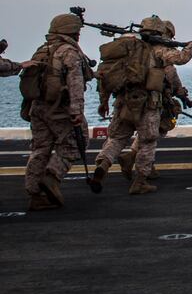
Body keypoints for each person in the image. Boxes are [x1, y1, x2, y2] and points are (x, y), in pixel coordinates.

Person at [20, 13, 91, 210]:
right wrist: (76, 111)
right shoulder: (68, 52)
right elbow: (75, 83)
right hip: (60, 108)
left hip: (38, 108)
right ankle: (52, 176)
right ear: (72, 31)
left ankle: (34, 193)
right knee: (76, 144)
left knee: (40, 149)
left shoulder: (42, 50)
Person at [92, 16, 168, 195]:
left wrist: (104, 102)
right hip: (148, 104)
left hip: (123, 103)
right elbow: (180, 59)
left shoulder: (125, 50)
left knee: (117, 139)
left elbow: (106, 76)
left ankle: (103, 163)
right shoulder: (156, 50)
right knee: (147, 142)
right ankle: (140, 181)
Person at [120, 19, 192, 181]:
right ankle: (138, 165)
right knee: (154, 133)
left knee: (144, 133)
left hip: (131, 97)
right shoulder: (160, 51)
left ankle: (142, 163)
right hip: (155, 99)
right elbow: (172, 77)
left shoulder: (136, 50)